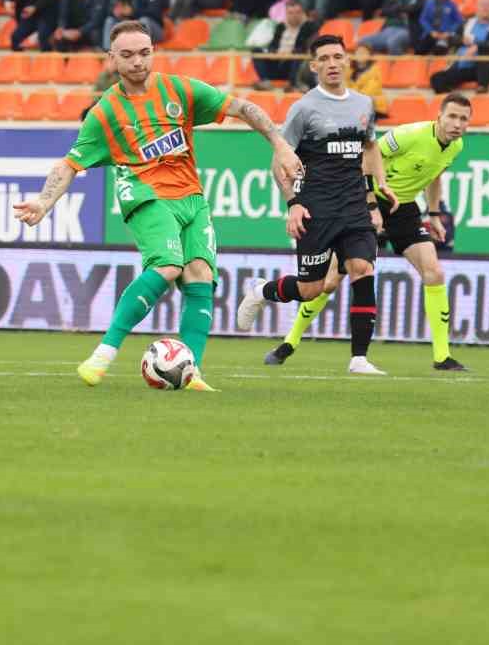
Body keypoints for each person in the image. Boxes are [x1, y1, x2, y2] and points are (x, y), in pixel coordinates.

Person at [16, 20, 300, 389]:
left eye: (144, 52)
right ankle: (102, 355)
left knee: (200, 274)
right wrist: (44, 201)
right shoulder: (106, 112)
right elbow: (70, 163)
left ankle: (191, 371)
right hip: (145, 194)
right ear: (112, 58)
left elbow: (242, 108)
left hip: (190, 196)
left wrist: (281, 145)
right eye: (127, 54)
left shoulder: (178, 89)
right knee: (168, 266)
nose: (137, 61)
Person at [232, 34, 392, 375]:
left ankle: (359, 358)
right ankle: (261, 291)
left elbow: (370, 148)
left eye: (338, 56)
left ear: (347, 61)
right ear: (314, 65)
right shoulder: (304, 108)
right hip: (316, 209)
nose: (332, 63)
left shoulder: (364, 104)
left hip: (354, 208)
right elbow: (279, 161)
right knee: (311, 289)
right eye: (325, 58)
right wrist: (293, 203)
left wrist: (375, 193)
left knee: (363, 269)